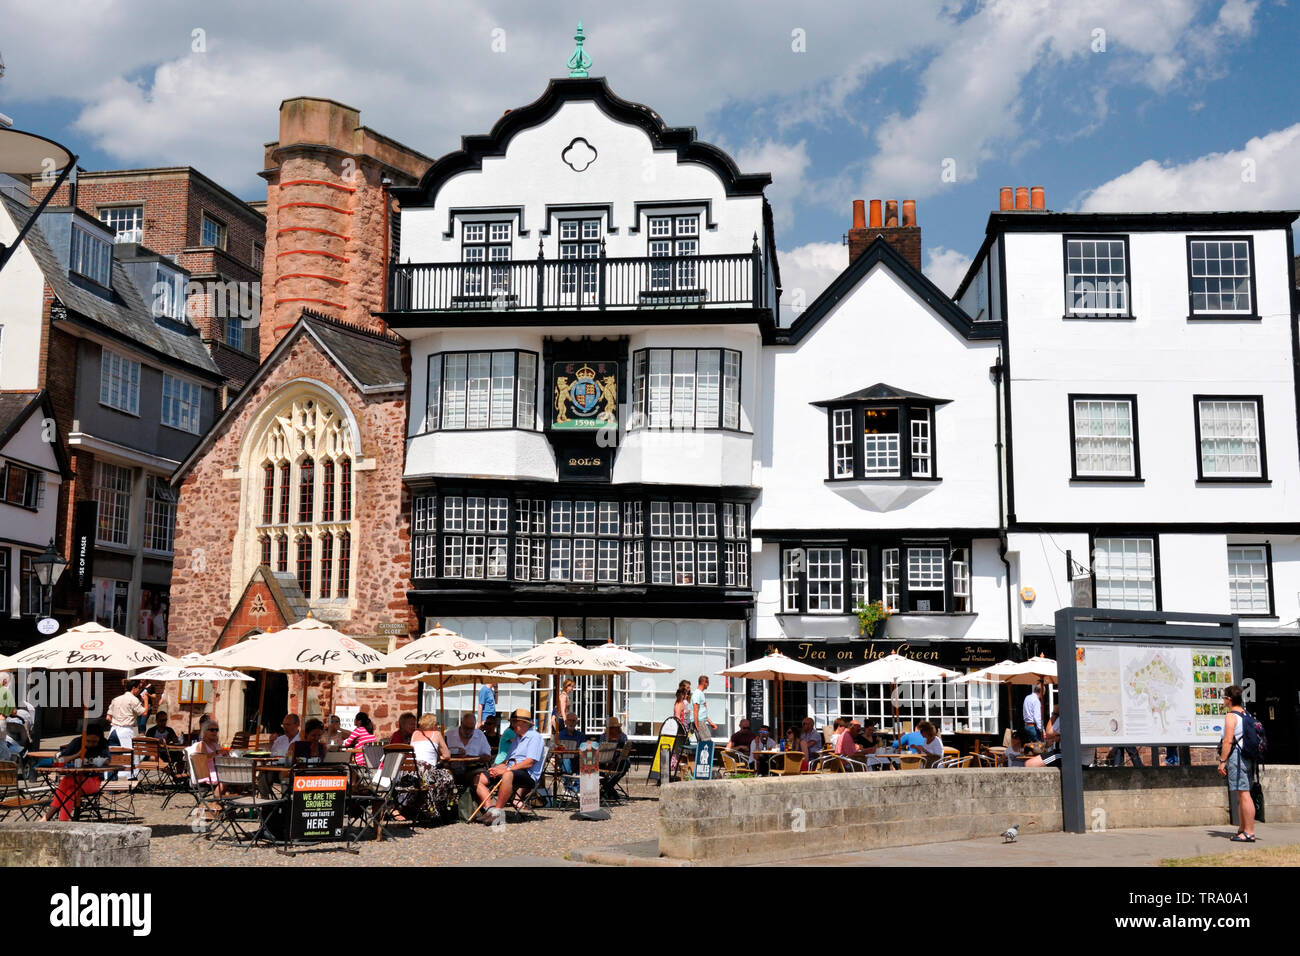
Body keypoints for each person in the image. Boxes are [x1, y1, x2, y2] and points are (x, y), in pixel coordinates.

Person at [473, 708, 544, 824]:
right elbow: (507, 760)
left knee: (507, 775)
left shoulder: (534, 737)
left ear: (524, 723)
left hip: (528, 774)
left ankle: (498, 813)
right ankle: (489, 809)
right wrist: (497, 769)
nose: (512, 724)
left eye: (515, 722)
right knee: (479, 778)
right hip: (512, 769)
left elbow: (529, 762)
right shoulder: (517, 738)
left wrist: (506, 770)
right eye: (512, 722)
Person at [42, 723, 111, 821]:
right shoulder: (77, 742)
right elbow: (60, 759)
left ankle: (48, 817)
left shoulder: (103, 744)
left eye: (94, 742)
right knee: (70, 790)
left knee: (67, 781)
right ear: (83, 737)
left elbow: (108, 761)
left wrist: (98, 760)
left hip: (93, 780)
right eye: (88, 741)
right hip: (76, 778)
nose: (91, 744)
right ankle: (62, 822)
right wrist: (78, 754)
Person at [1219, 685, 1257, 843]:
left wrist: (1222, 761)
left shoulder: (1231, 716)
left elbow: (1228, 740)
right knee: (1243, 793)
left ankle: (1249, 832)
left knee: (1244, 794)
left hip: (1237, 756)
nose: (1223, 700)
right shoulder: (1245, 713)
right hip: (1248, 756)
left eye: (1223, 697)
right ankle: (1243, 828)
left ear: (1229, 699)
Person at [403, 714, 455, 821]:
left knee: (437, 777)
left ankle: (423, 807)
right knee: (447, 776)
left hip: (410, 773)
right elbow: (447, 756)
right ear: (433, 725)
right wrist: (439, 757)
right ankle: (439, 808)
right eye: (436, 724)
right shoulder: (436, 734)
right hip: (425, 775)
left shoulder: (415, 733)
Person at [106, 681, 146, 778]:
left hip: (114, 730)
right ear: (134, 688)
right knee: (131, 756)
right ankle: (131, 778)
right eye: (139, 688)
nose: (139, 690)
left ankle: (111, 781)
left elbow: (108, 717)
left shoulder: (116, 699)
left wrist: (117, 721)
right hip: (126, 730)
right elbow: (144, 713)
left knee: (113, 756)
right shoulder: (133, 700)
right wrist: (146, 700)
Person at [692, 675, 716, 741]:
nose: (708, 685)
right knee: (707, 742)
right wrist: (697, 726)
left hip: (701, 721)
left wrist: (710, 722)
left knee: (706, 741)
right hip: (699, 722)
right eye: (707, 683)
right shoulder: (697, 694)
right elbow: (695, 710)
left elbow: (703, 711)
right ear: (704, 682)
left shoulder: (701, 693)